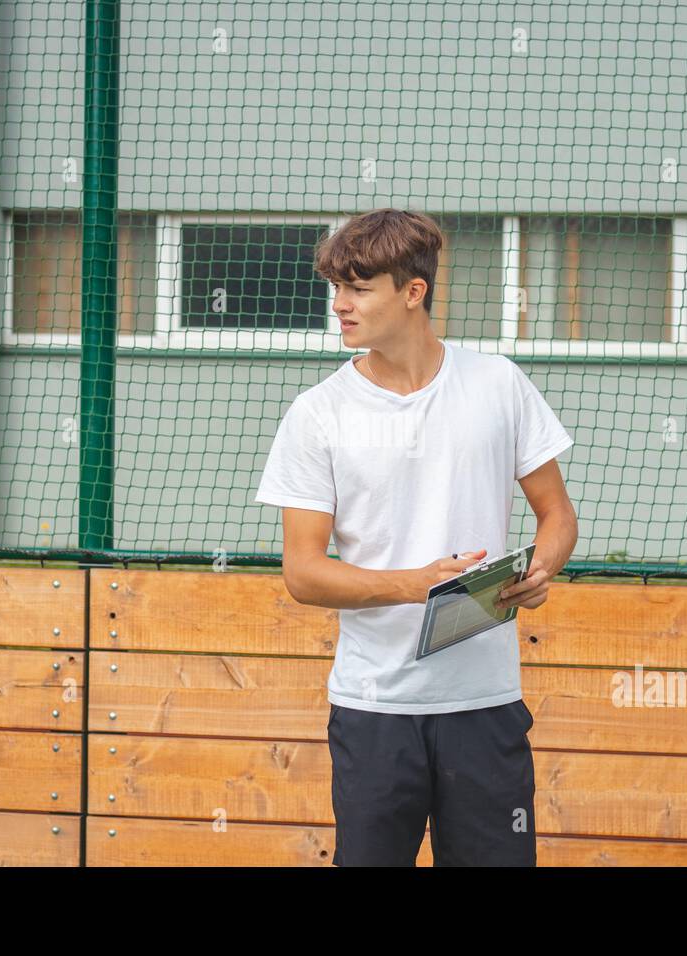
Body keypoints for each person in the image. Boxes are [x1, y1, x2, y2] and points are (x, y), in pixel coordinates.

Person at [254, 208, 579, 866]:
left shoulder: (499, 384)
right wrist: (416, 584)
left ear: (413, 291)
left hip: (486, 707)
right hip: (374, 712)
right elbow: (303, 572)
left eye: (358, 288)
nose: (339, 305)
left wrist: (539, 571)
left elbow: (557, 516)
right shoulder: (317, 415)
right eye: (335, 288)